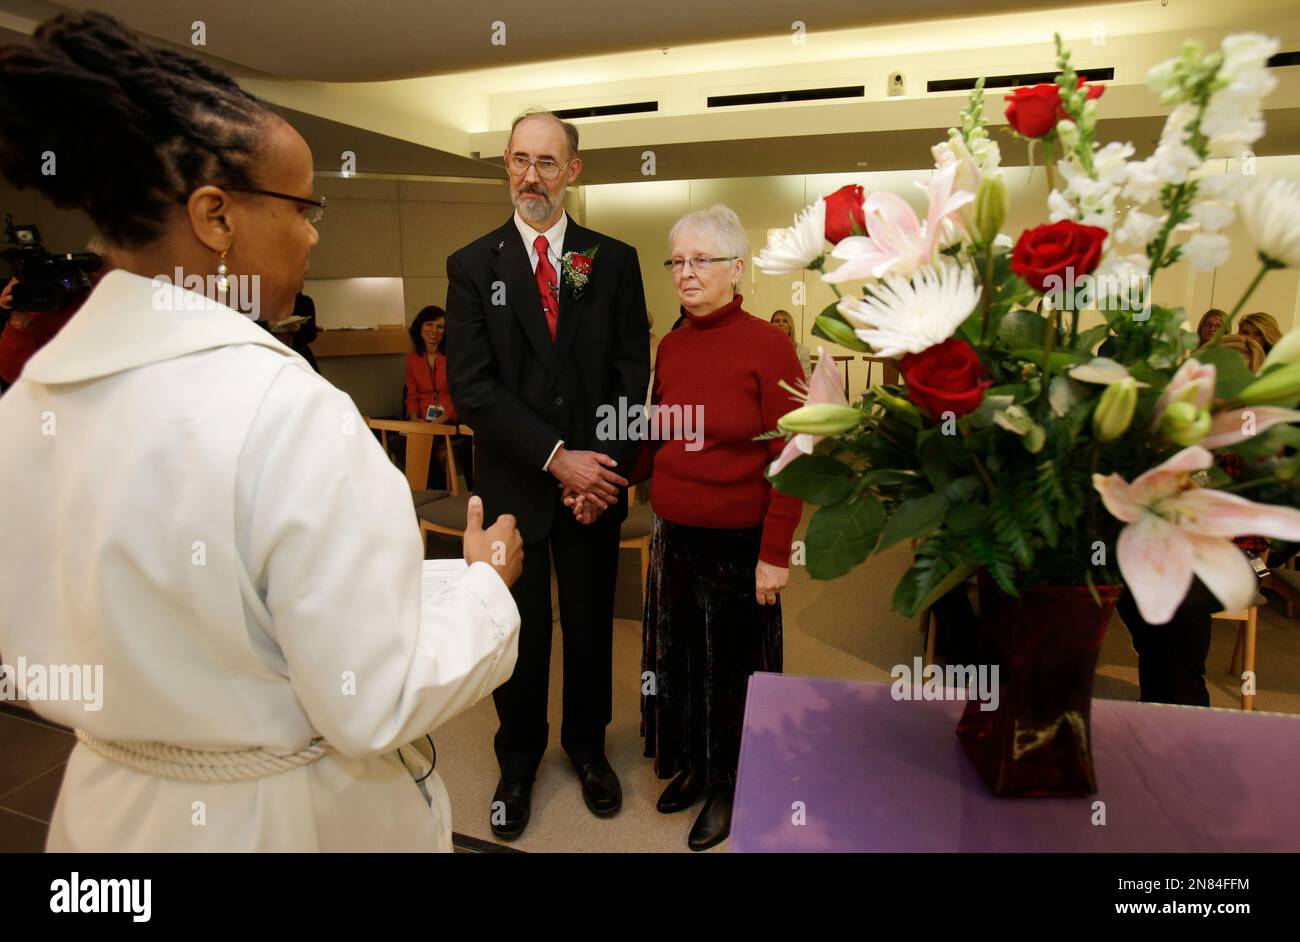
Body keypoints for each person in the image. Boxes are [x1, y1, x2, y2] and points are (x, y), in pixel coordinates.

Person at [0, 11, 523, 852]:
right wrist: (487, 588)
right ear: (216, 217)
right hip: (274, 820)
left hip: (105, 813)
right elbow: (367, 696)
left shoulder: (26, 406)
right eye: (303, 208)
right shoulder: (284, 410)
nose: (314, 235)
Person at [444, 109, 650, 840]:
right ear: (505, 164)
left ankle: (588, 749)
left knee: (593, 629)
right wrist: (558, 459)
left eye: (548, 162)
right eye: (520, 161)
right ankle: (519, 761)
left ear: (574, 171)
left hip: (593, 490)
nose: (533, 176)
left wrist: (601, 474)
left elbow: (632, 375)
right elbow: (473, 388)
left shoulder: (613, 260)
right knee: (520, 634)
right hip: (513, 493)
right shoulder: (472, 267)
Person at [611, 205, 803, 850]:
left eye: (701, 260)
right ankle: (695, 762)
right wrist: (604, 484)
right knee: (681, 663)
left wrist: (776, 554)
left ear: (736, 268)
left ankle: (731, 780)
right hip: (676, 538)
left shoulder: (768, 345)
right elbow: (657, 437)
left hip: (740, 545)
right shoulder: (671, 344)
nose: (685, 274)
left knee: (732, 674)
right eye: (677, 261)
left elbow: (793, 457)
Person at [405, 304, 472, 489]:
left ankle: (437, 491)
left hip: (451, 420)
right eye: (429, 324)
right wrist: (413, 418)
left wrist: (442, 419)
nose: (434, 330)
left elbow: (459, 394)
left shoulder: (453, 357)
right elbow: (412, 394)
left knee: (424, 441)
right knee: (399, 442)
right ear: (420, 327)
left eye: (440, 326)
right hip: (424, 422)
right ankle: (434, 488)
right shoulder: (412, 358)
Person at [771, 308, 812, 379]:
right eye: (777, 321)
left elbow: (807, 379)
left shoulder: (802, 350)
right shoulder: (766, 349)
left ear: (790, 326)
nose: (781, 324)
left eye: (785, 321)